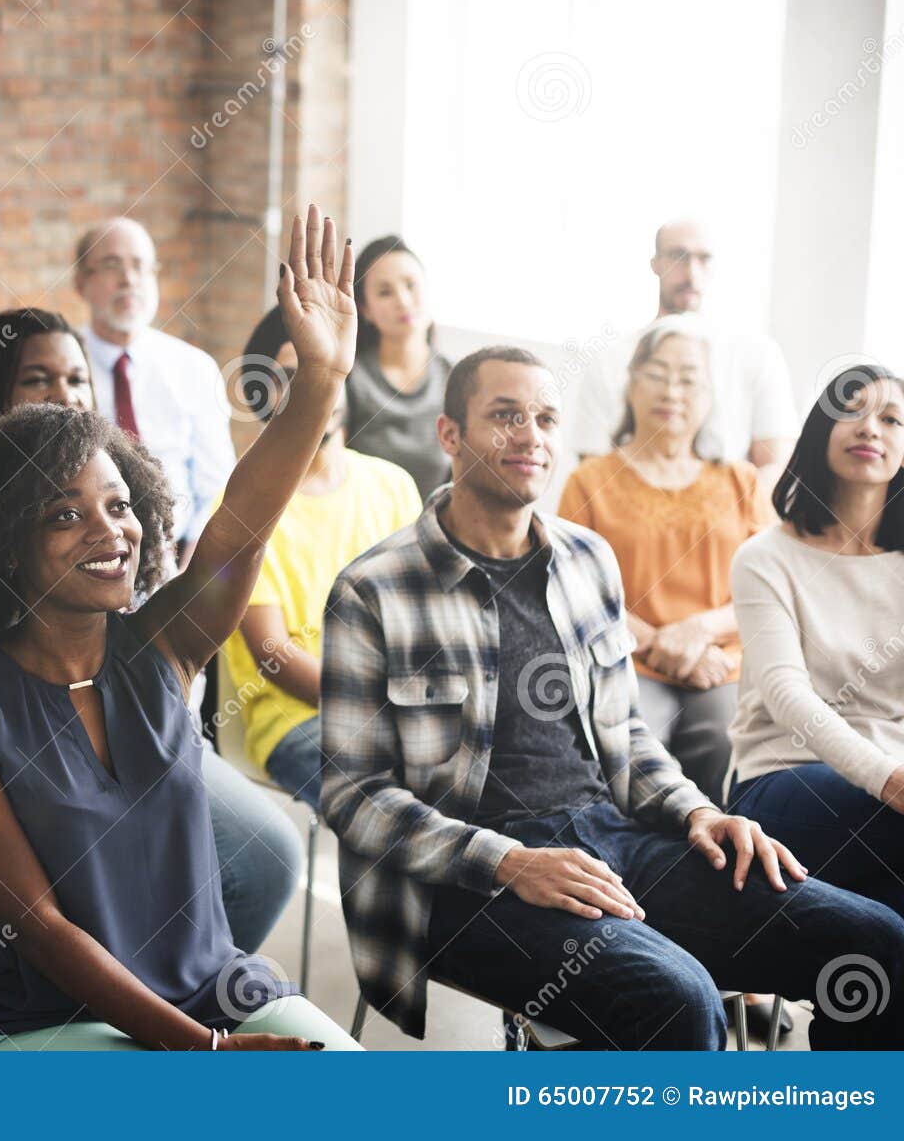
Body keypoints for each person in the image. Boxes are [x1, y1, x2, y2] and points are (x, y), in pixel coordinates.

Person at [320, 344, 904, 1049]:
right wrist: (509, 861)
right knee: (679, 1001)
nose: (530, 436)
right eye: (504, 416)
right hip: (467, 882)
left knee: (877, 942)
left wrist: (699, 811)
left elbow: (625, 733)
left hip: (613, 838)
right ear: (450, 435)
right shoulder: (374, 588)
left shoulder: (586, 560)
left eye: (545, 418)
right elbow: (352, 795)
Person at [0, 207, 363, 1050]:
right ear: (5, 545)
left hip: (217, 990)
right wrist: (209, 1055)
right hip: (52, 1025)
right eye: (65, 516)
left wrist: (320, 382)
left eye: (120, 506)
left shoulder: (163, 646)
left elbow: (242, 526)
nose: (110, 531)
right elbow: (42, 931)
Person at [0, 308, 304, 952]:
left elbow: (163, 643)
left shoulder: (112, 512)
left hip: (119, 748)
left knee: (262, 861)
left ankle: (171, 986)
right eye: (38, 380)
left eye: (77, 379)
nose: (64, 396)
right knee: (75, 896)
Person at [559, 314, 772, 804]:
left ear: (710, 395)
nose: (672, 391)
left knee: (728, 740)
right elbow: (573, 592)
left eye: (689, 378)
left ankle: (723, 867)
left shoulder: (741, 481)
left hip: (721, 662)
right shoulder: (590, 479)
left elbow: (767, 593)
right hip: (623, 658)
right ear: (631, 386)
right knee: (634, 746)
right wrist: (662, 645)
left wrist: (697, 635)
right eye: (657, 374)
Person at [221, 305, 421, 808]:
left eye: (323, 371)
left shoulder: (393, 485)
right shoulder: (247, 508)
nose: (315, 389)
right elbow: (273, 653)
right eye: (292, 376)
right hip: (298, 721)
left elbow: (426, 613)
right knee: (401, 806)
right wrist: (378, 707)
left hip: (400, 706)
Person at [728, 364, 904, 918]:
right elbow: (788, 696)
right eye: (850, 410)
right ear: (817, 433)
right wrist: (889, 781)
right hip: (781, 781)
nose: (870, 428)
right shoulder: (765, 558)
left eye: (892, 418)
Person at [568, 218, 798, 490]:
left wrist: (721, 522)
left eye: (704, 258)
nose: (691, 272)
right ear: (655, 264)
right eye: (679, 256)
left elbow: (776, 464)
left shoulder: (759, 355)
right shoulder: (610, 359)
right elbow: (592, 471)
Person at [73, 216, 234, 551]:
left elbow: (218, 488)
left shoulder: (195, 368)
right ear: (81, 282)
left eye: (141, 266)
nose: (128, 279)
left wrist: (193, 567)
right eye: (111, 265)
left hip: (177, 559)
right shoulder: (62, 364)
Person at [343, 235, 453, 499]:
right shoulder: (349, 379)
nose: (403, 301)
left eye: (411, 285)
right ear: (365, 309)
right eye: (385, 292)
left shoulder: (455, 379)